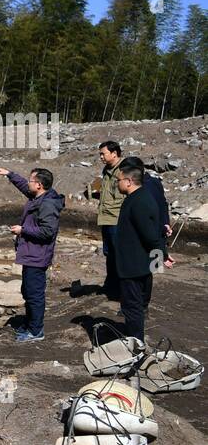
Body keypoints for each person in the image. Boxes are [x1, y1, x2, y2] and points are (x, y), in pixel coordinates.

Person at [0, 166, 64, 343]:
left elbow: (48, 231)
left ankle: (36, 331)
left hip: (37, 255)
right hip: (31, 253)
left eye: (31, 180)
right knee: (28, 291)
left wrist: (23, 230)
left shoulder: (47, 204)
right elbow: (25, 187)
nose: (28, 182)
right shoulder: (39, 196)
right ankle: (31, 323)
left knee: (34, 294)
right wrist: (10, 174)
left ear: (39, 185)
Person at [113, 161, 165, 342]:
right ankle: (134, 338)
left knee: (132, 306)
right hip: (137, 262)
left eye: (118, 180)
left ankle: (136, 344)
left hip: (134, 265)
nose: (116, 183)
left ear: (128, 181)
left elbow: (150, 234)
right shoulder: (138, 198)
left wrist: (163, 255)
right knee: (135, 304)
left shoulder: (139, 201)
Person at [123, 156, 174, 267]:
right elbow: (163, 204)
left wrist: (164, 225)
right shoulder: (155, 182)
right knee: (152, 270)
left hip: (150, 235)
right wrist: (166, 223)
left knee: (145, 269)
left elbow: (149, 214)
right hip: (159, 232)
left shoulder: (138, 191)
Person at [96, 141, 124, 299]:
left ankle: (121, 288)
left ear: (114, 153)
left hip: (116, 218)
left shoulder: (123, 170)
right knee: (109, 253)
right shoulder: (106, 170)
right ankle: (111, 284)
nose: (101, 157)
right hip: (105, 217)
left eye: (103, 153)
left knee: (118, 254)